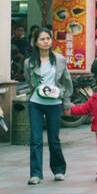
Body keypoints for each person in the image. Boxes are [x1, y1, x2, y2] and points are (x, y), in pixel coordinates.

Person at [23, 25, 72, 184]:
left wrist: (66, 102)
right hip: (35, 104)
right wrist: (29, 98)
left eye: (48, 39)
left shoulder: (59, 59)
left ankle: (58, 170)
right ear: (35, 42)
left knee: (54, 139)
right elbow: (28, 81)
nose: (45, 42)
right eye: (42, 39)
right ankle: (35, 174)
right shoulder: (29, 62)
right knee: (35, 139)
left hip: (54, 103)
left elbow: (66, 81)